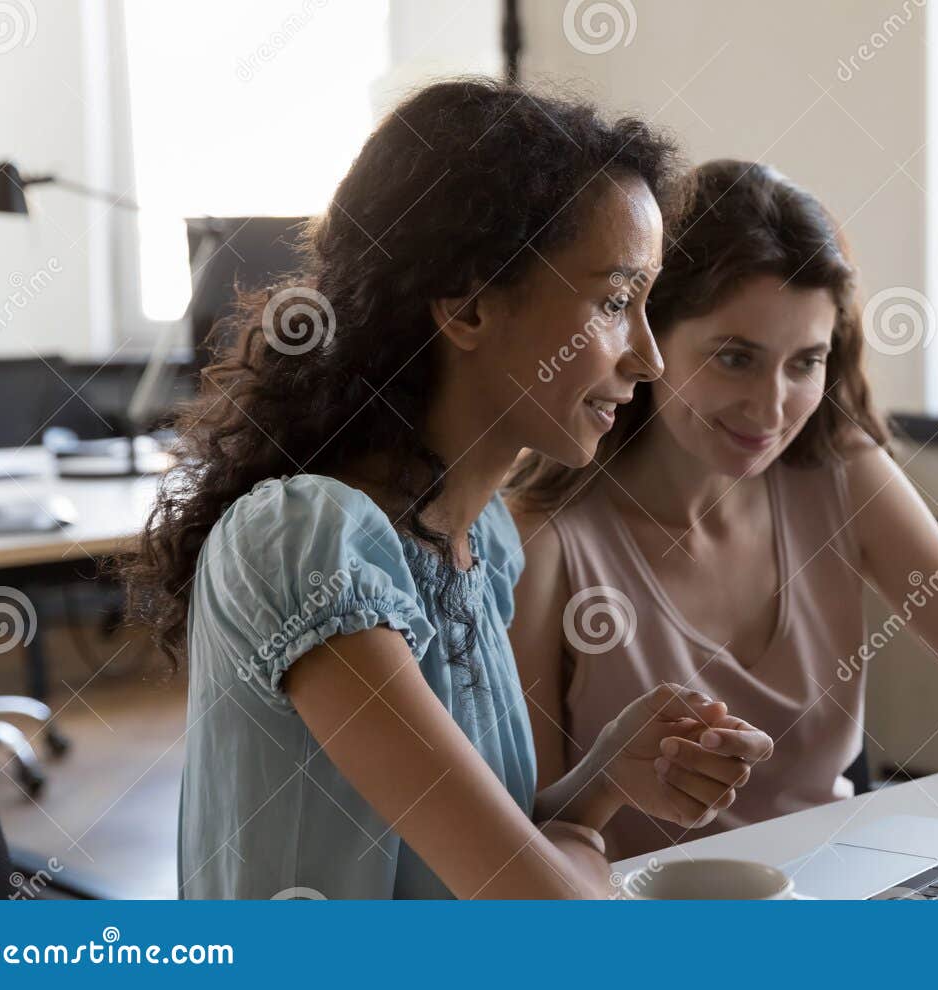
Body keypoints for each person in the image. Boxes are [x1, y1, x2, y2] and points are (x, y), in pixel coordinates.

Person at [122, 81, 772, 899]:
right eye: (614, 301)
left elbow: (446, 868)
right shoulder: (305, 541)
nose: (649, 359)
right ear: (467, 307)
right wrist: (575, 856)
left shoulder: (481, 540)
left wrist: (601, 781)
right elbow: (538, 920)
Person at [507, 160, 938, 859]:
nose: (772, 410)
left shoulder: (840, 475)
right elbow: (524, 831)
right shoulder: (546, 540)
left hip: (843, 894)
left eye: (805, 362)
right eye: (735, 358)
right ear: (649, 340)